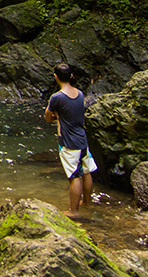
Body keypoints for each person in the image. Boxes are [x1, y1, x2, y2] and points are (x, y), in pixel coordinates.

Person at [44, 62, 98, 217]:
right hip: (82, 139)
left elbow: (48, 117)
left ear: (56, 77)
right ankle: (86, 203)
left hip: (68, 142)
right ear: (71, 76)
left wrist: (55, 115)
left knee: (74, 176)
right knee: (86, 172)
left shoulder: (56, 97)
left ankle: (74, 211)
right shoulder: (80, 94)